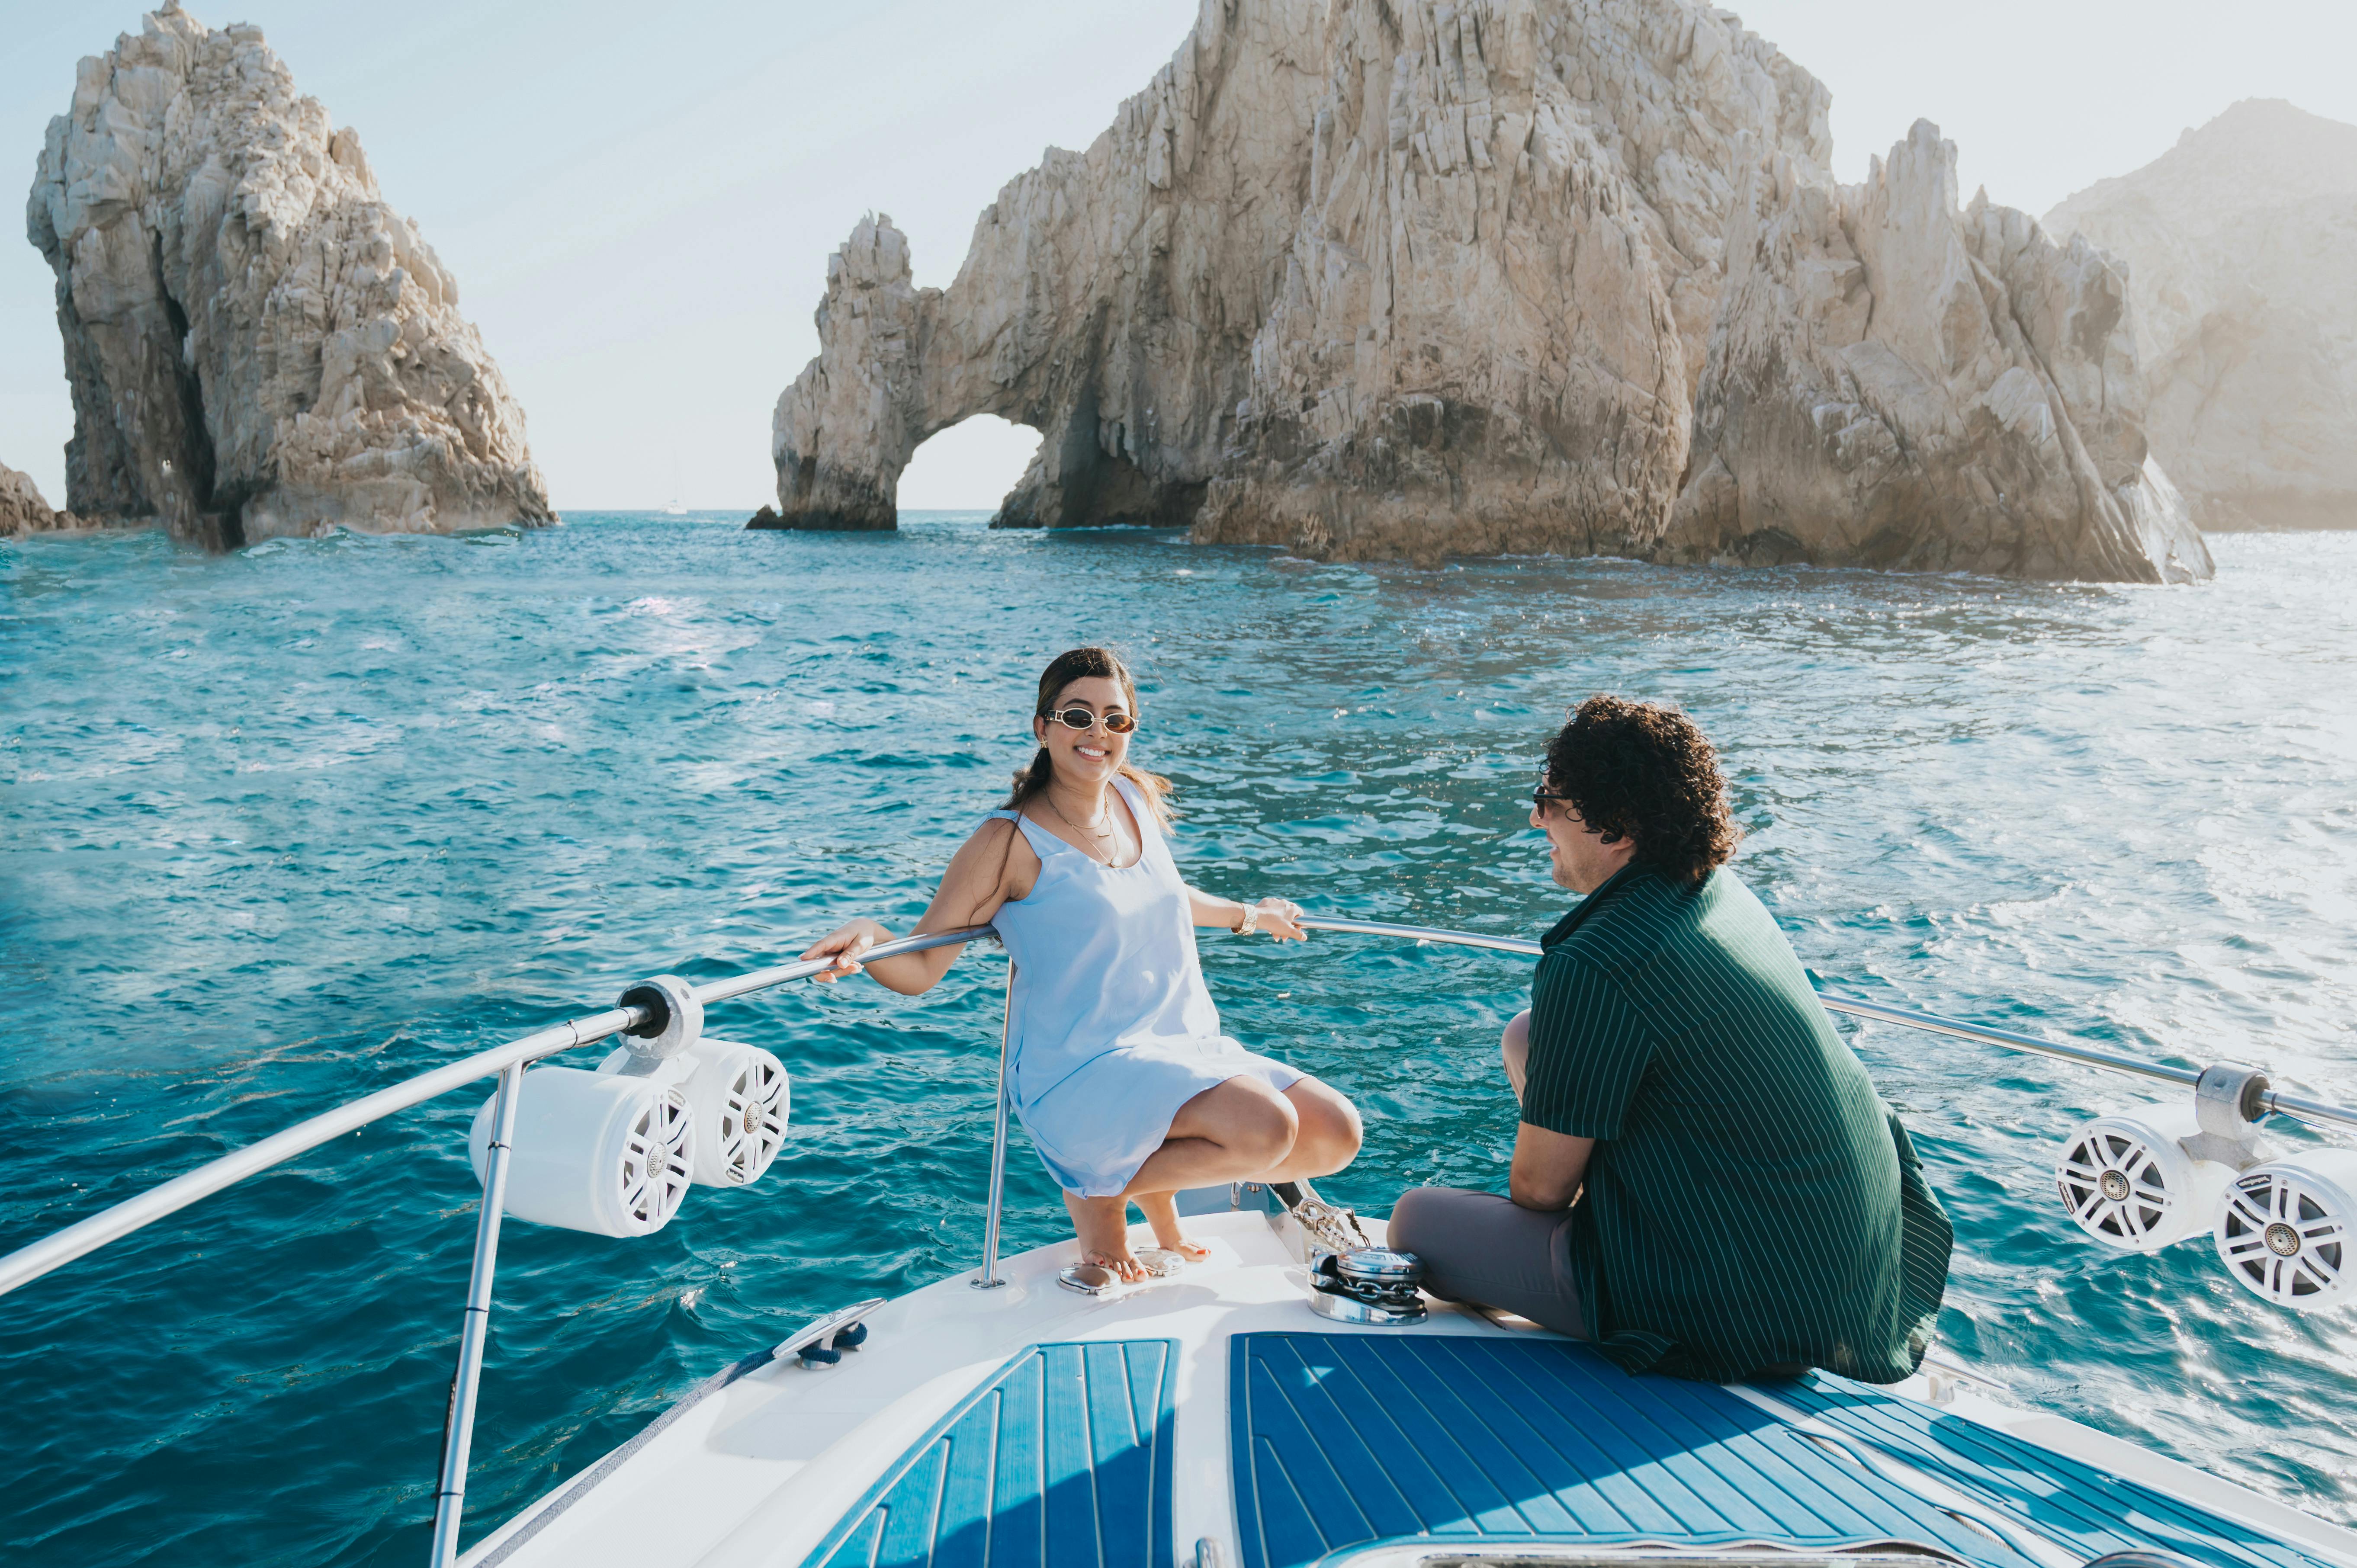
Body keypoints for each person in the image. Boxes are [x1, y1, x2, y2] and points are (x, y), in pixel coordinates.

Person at [1389, 695, 1951, 1383]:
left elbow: (1537, 1191)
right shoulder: (1716, 890)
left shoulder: (1595, 961)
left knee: (1417, 1224)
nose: (1536, 817)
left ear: (1616, 826)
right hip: (1855, 1272)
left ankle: (1617, 1282)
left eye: (1549, 800)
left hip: (1744, 1301)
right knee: (1528, 1038)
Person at [800, 646, 1363, 1281]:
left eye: (1114, 719)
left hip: (1178, 1045)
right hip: (1083, 1068)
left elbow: (1165, 895)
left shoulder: (1132, 796)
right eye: (1077, 715)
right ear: (1043, 727)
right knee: (1268, 1128)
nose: (1097, 732)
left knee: (1335, 1133)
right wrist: (871, 935)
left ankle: (1141, 1176)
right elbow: (923, 966)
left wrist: (1250, 915)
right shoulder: (1009, 841)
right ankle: (1101, 1189)